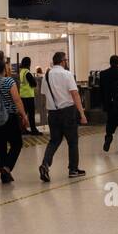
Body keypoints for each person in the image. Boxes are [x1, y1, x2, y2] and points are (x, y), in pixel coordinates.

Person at [39, 50, 87, 182]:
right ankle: (73, 169)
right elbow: (75, 94)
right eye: (66, 60)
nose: (67, 62)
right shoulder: (67, 74)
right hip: (67, 112)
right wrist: (82, 113)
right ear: (62, 61)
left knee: (54, 140)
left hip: (53, 113)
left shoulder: (46, 76)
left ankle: (45, 164)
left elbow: (44, 95)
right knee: (72, 142)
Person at [0, 57, 30, 183]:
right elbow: (17, 99)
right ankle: (7, 167)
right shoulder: (9, 81)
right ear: (4, 68)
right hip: (9, 118)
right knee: (17, 144)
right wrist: (24, 116)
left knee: (1, 146)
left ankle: (4, 175)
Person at [17, 56, 40, 135]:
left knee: (24, 113)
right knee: (31, 114)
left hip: (23, 95)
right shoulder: (27, 72)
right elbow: (34, 83)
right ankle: (33, 130)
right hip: (29, 96)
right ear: (28, 63)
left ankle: (23, 129)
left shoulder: (22, 72)